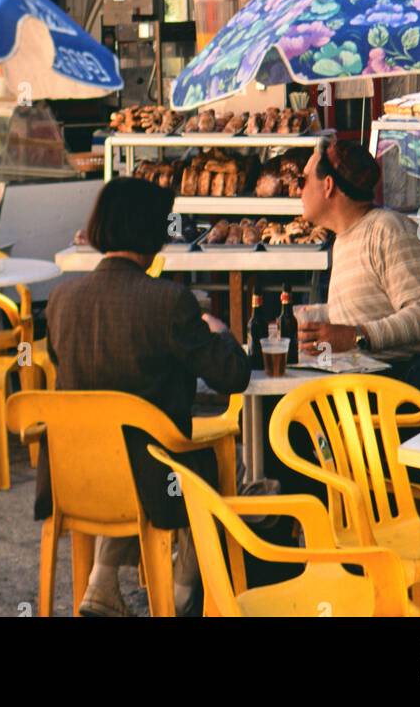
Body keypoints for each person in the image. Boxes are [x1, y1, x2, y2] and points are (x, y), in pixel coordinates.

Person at [37, 176, 252, 617]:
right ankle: (182, 596)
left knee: (131, 443)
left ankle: (101, 579)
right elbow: (232, 376)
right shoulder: (170, 301)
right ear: (155, 233)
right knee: (211, 466)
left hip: (74, 477)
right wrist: (220, 331)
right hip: (153, 482)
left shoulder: (60, 299)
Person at [297, 139, 420, 375]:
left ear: (328, 185)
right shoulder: (344, 238)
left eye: (302, 180)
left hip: (402, 387)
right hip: (359, 382)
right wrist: (305, 320)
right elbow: (362, 310)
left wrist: (354, 336)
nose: (297, 190)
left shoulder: (389, 231)